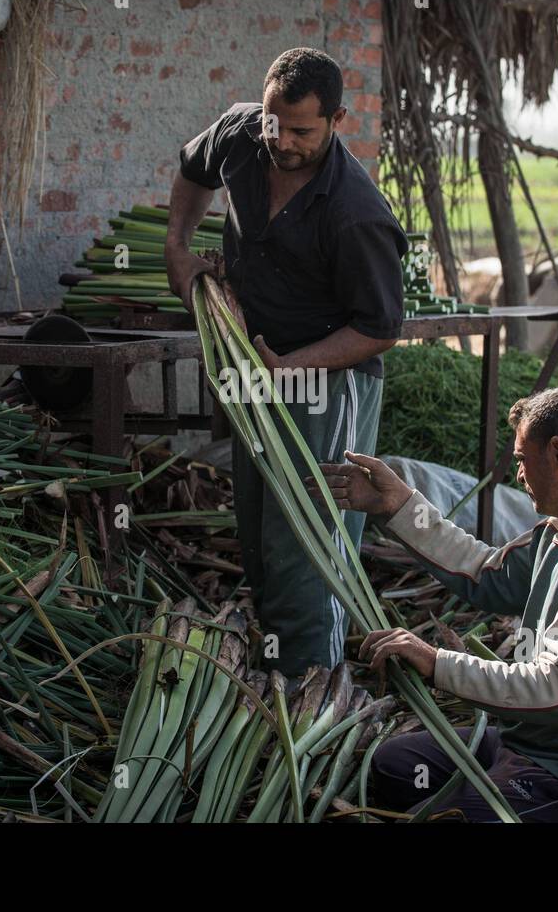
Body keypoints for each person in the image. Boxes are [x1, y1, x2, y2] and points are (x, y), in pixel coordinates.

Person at [311, 387, 558, 822]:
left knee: (435, 819)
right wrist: (398, 505)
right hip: (535, 743)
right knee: (394, 768)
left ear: (556, 453)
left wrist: (437, 663)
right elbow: (487, 572)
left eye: (520, 459)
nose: (518, 475)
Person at [165, 48, 407, 676]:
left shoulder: (356, 212)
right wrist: (177, 246)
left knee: (309, 546)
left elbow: (380, 330)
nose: (284, 140)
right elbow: (194, 169)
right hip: (257, 372)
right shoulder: (243, 134)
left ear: (337, 121)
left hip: (328, 384)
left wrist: (291, 366)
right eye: (276, 124)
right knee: (261, 537)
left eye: (302, 130)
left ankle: (316, 697)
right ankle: (277, 682)